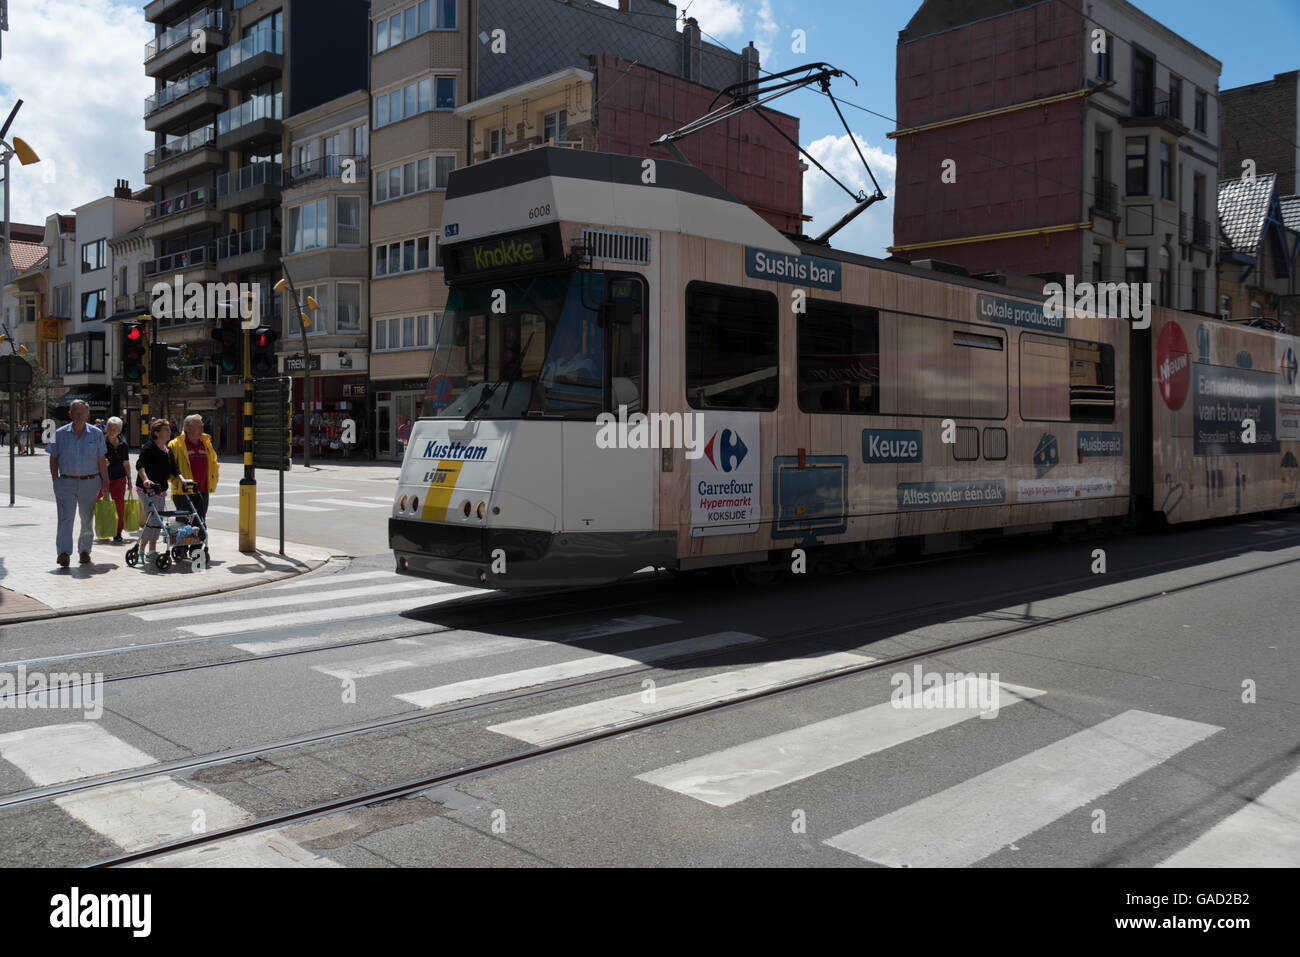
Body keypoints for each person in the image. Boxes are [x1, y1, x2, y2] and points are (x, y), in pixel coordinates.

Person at [47, 399, 109, 567]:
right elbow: (53, 459)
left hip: (90, 481)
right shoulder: (58, 434)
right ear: (70, 414)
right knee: (65, 518)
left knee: (87, 518)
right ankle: (64, 553)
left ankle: (84, 551)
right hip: (66, 482)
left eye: (83, 413)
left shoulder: (97, 433)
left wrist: (106, 483)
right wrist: (55, 481)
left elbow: (101, 460)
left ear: (88, 415)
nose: (80, 416)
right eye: (76, 412)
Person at [136, 419, 179, 564]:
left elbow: (174, 469)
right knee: (152, 519)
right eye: (166, 429)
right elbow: (140, 465)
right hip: (147, 489)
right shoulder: (149, 447)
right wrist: (146, 480)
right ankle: (141, 550)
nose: (169, 432)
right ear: (156, 432)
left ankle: (152, 551)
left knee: (158, 520)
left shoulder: (167, 450)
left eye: (169, 429)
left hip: (160, 489)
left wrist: (183, 480)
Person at [167, 413, 217, 522]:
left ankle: (200, 539)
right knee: (184, 526)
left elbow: (214, 464)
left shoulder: (206, 443)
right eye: (199, 425)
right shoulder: (175, 445)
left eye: (202, 425)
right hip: (183, 492)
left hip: (203, 490)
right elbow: (168, 468)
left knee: (200, 524)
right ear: (188, 428)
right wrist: (177, 483)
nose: (202, 428)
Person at [102, 416, 131, 544]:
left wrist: (129, 480)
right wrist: (101, 463)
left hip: (119, 479)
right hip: (102, 479)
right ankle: (102, 528)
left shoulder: (123, 445)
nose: (111, 431)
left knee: (119, 506)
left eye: (114, 429)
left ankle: (118, 532)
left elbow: (126, 463)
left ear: (119, 430)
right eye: (109, 428)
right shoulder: (100, 442)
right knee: (98, 504)